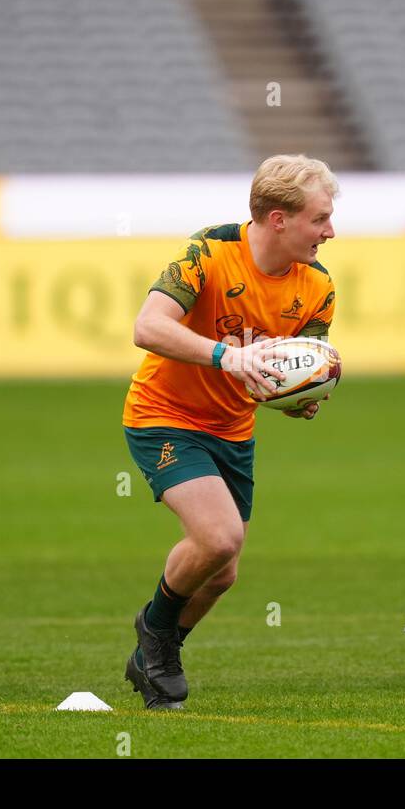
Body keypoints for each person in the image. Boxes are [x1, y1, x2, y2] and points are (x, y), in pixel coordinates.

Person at [122, 154, 337, 709]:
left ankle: (154, 645)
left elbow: (284, 373)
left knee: (220, 573)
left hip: (232, 429)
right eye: (319, 219)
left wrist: (296, 399)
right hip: (163, 414)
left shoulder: (318, 287)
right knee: (219, 538)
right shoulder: (209, 251)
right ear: (278, 218)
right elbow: (148, 327)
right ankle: (157, 641)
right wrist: (227, 357)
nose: (329, 232)